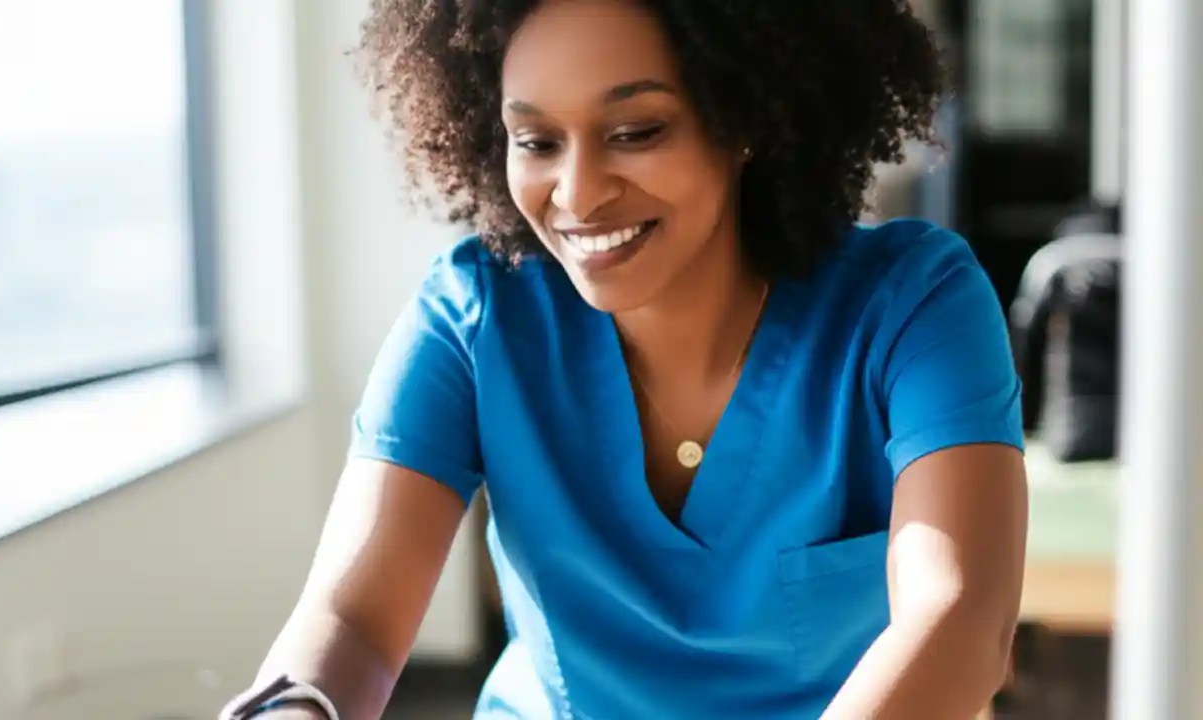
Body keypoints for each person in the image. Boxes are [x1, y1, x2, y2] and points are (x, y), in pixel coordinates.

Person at [221, 1, 1027, 718]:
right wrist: (296, 710)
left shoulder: (913, 302)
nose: (577, 192)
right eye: (536, 141)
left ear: (744, 115)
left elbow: (958, 621)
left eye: (636, 132)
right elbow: (353, 623)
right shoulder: (475, 317)